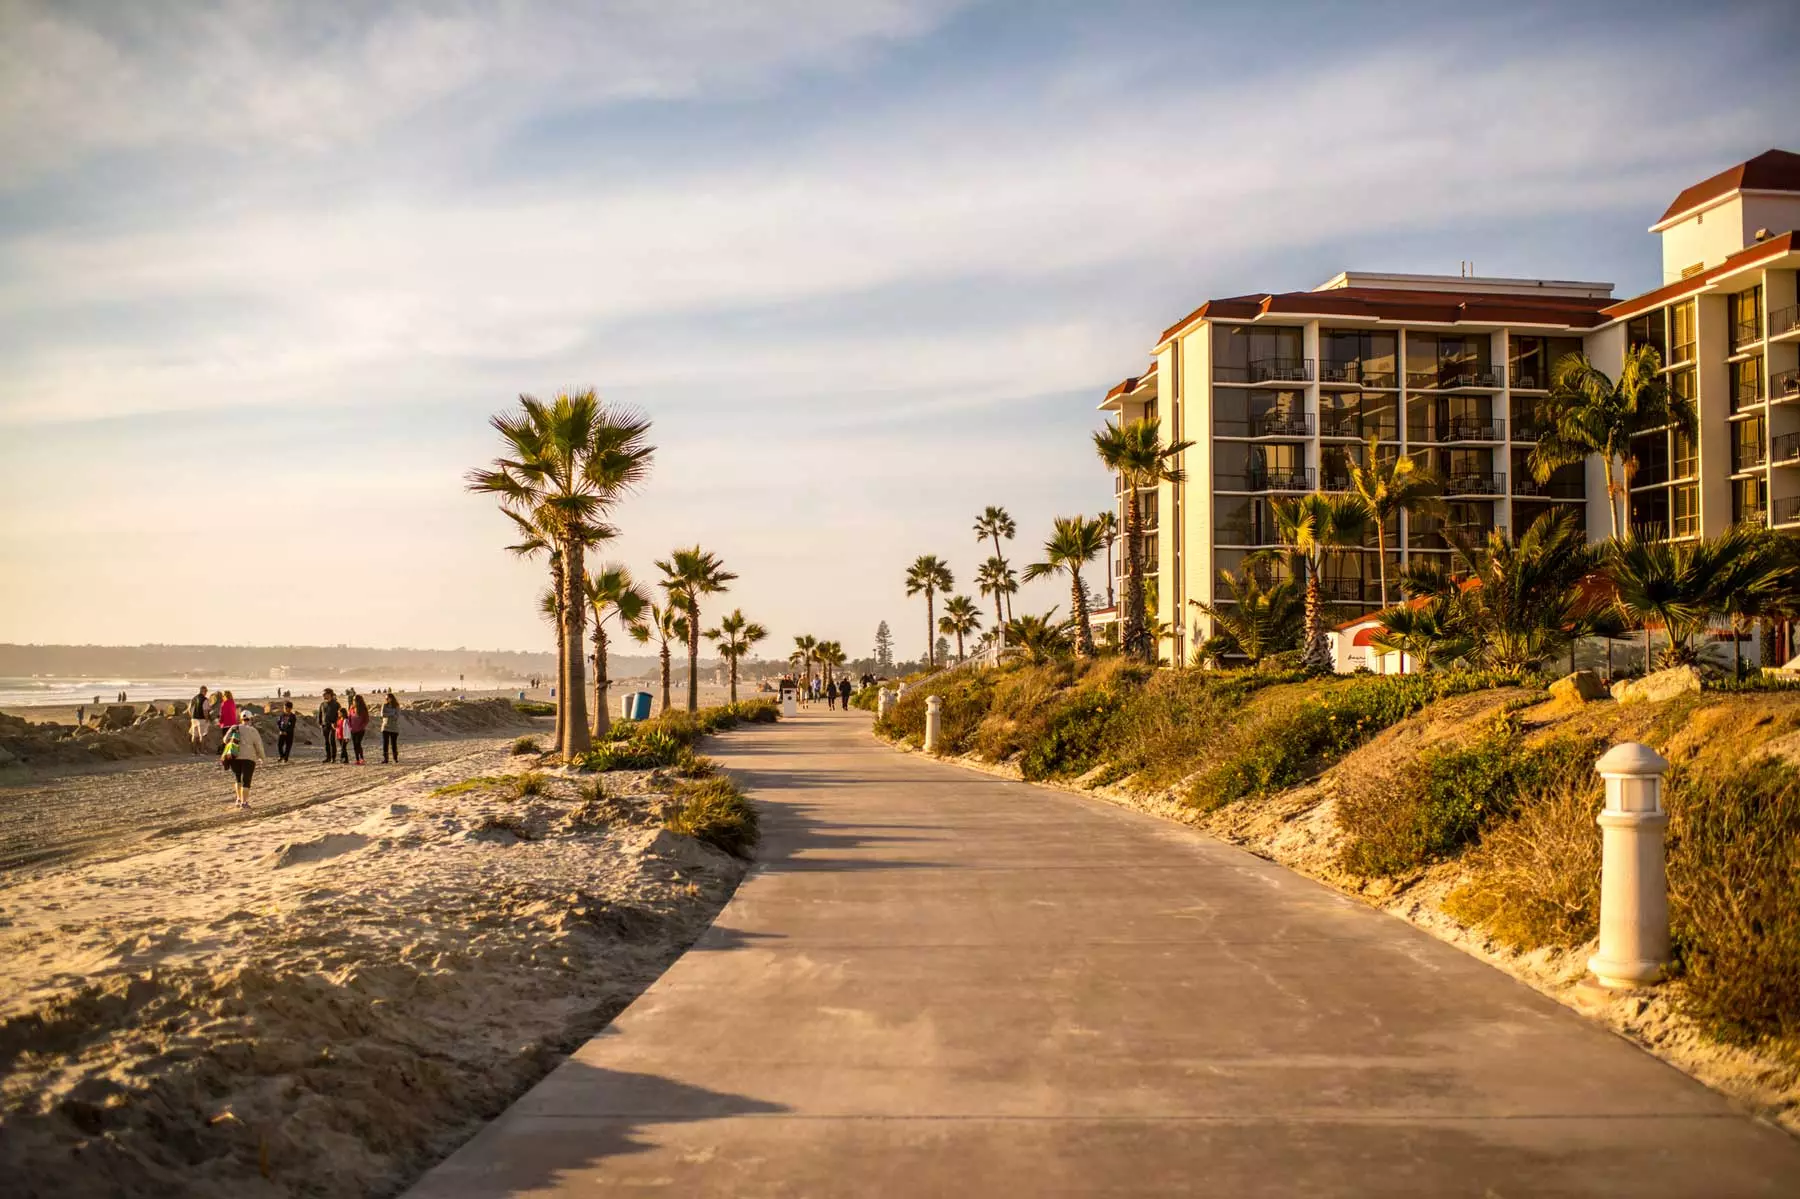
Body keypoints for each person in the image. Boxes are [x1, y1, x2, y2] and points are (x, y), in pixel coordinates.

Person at [220, 714, 266, 809]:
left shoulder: (234, 727)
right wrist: (262, 758)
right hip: (249, 758)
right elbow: (258, 746)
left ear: (241, 719)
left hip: (234, 757)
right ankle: (244, 803)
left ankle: (238, 799)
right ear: (251, 719)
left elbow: (225, 740)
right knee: (246, 780)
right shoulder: (253, 730)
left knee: (238, 778)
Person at [317, 688, 342, 763]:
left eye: (325, 694)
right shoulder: (322, 704)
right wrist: (320, 723)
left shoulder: (336, 704)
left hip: (333, 725)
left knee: (332, 741)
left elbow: (340, 715)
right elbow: (320, 714)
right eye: (323, 694)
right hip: (325, 725)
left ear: (330, 694)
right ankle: (328, 757)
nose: (323, 695)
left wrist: (336, 723)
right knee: (326, 742)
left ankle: (333, 758)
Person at [380, 691, 401, 763]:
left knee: (393, 743)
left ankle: (395, 758)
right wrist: (392, 713)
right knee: (385, 743)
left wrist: (388, 714)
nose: (386, 699)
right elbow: (382, 714)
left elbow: (396, 716)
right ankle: (386, 759)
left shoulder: (397, 706)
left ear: (391, 698)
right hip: (385, 726)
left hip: (394, 727)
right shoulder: (384, 705)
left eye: (388, 698)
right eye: (386, 698)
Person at [348, 693, 370, 765]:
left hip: (360, 730)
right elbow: (349, 718)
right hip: (353, 730)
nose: (354, 701)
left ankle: (362, 758)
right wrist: (350, 726)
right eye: (353, 700)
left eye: (355, 700)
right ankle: (357, 759)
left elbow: (366, 720)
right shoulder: (351, 708)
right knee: (355, 745)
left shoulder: (363, 709)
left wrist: (362, 727)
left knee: (358, 743)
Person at [189, 685, 211, 753]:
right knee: (202, 735)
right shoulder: (205, 699)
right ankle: (202, 751)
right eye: (206, 691)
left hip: (194, 719)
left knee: (194, 735)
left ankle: (194, 751)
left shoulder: (194, 698)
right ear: (203, 691)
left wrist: (192, 716)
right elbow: (205, 711)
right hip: (202, 719)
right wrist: (207, 719)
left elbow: (189, 708)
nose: (206, 692)